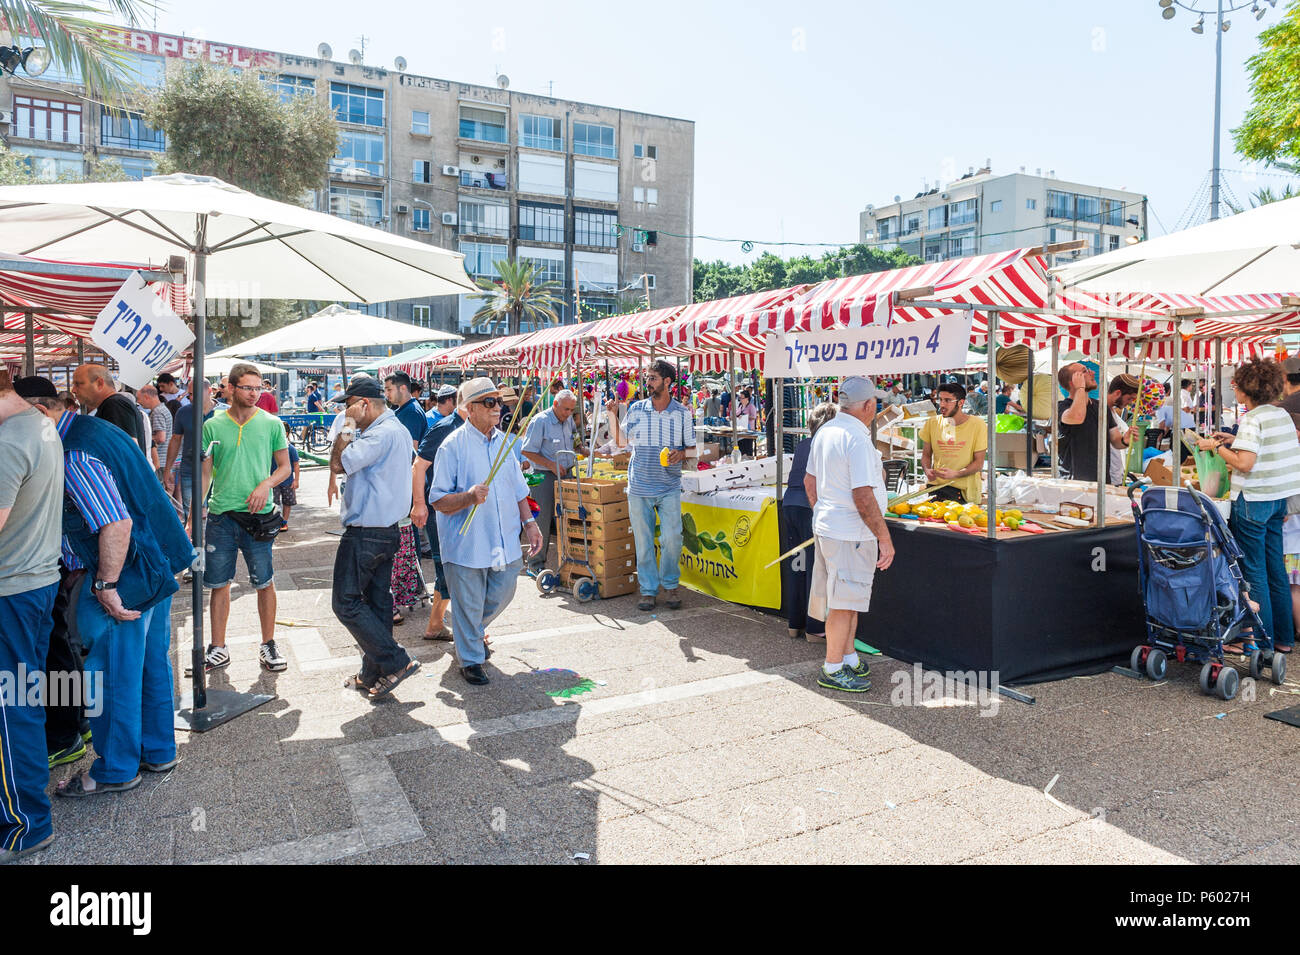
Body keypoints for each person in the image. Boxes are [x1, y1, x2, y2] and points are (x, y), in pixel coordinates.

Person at [31, 382, 191, 801]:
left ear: (37, 413)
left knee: (111, 674)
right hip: (154, 561)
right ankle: (158, 750)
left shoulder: (73, 451)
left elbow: (115, 524)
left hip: (126, 573)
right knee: (150, 662)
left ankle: (116, 767)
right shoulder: (94, 428)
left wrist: (106, 584)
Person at [430, 378, 543, 685]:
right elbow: (438, 500)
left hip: (504, 540)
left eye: (499, 402)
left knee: (504, 589)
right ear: (470, 409)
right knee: (467, 602)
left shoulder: (507, 442)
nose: (498, 408)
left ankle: (471, 634)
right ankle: (470, 659)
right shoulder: (451, 446)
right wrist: (468, 496)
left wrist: (529, 523)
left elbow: (519, 490)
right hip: (465, 544)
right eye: (490, 402)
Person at [0, 375, 63, 861]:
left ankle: (24, 822)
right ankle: (28, 808)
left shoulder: (10, 439)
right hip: (37, 581)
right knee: (24, 698)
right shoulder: (42, 428)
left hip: (12, 588)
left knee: (11, 708)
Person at [1197, 358, 1300, 655]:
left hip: (1254, 501)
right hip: (1278, 501)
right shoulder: (1279, 416)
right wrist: (1235, 439)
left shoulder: (1253, 419)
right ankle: (1283, 640)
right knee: (1275, 570)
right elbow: (1267, 450)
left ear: (1245, 390)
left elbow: (1245, 463)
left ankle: (1262, 643)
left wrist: (1216, 447)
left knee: (1254, 573)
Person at [329, 377, 423, 699]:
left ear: (364, 404)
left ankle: (396, 661)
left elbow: (337, 462)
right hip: (386, 531)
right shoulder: (394, 430)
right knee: (377, 603)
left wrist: (347, 425)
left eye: (349, 405)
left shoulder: (380, 433)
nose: (345, 412)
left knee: (345, 603)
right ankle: (371, 673)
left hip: (367, 533)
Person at [803, 376, 894, 693]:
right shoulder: (855, 437)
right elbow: (863, 495)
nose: (877, 407)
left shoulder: (827, 430)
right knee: (843, 603)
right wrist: (884, 537)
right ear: (868, 405)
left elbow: (809, 483)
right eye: (876, 403)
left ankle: (847, 655)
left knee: (848, 598)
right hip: (850, 533)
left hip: (833, 528)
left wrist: (822, 513)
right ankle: (831, 667)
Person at [200, 363, 291, 673]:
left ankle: (268, 644)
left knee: (264, 582)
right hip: (221, 515)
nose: (254, 393)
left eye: (258, 388)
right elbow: (206, 470)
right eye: (248, 388)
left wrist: (266, 484)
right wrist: (193, 513)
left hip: (258, 517)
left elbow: (284, 467)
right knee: (218, 584)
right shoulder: (212, 425)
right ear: (230, 389)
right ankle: (218, 647)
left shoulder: (271, 423)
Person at [612, 359, 695, 612]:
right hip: (639, 486)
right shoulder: (637, 409)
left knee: (673, 538)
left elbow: (692, 449)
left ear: (667, 381)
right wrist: (611, 414)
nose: (647, 383)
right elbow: (619, 441)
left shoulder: (682, 413)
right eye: (647, 378)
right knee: (644, 541)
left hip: (668, 485)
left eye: (652, 378)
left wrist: (680, 454)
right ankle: (648, 590)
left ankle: (670, 584)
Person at [412, 398, 466, 641]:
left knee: (459, 569)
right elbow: (418, 466)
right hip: (440, 511)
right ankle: (440, 625)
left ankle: (440, 624)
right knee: (447, 568)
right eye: (489, 403)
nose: (495, 408)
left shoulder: (481, 432)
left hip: (464, 509)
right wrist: (419, 504)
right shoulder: (444, 428)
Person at [781, 402, 836, 643]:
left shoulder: (803, 444)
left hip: (790, 505)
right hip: (809, 508)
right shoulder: (827, 444)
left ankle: (795, 624)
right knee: (816, 569)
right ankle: (815, 628)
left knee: (797, 566)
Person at [521, 388, 579, 575]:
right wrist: (550, 464)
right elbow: (527, 451)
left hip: (567, 476)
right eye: (565, 410)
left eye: (571, 410)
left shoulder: (568, 419)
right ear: (555, 404)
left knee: (567, 519)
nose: (568, 414)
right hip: (544, 476)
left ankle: (569, 562)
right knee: (542, 521)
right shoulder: (540, 421)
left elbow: (575, 440)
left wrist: (583, 449)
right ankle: (535, 564)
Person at [1057, 364, 1139, 483]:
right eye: (1084, 371)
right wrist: (1080, 388)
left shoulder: (1101, 407)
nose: (1092, 373)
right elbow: (1077, 417)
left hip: (1101, 481)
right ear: (1072, 381)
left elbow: (1116, 441)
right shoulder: (1062, 407)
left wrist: (1125, 440)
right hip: (1073, 482)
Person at [919, 381, 987, 503]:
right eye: (940, 400)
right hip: (935, 489)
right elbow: (926, 455)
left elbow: (978, 463)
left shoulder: (977, 424)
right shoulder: (932, 423)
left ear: (961, 403)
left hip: (963, 492)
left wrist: (956, 474)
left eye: (947, 400)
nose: (942, 405)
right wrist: (927, 469)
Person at [165, 379, 215, 538]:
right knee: (192, 515)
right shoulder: (184, 412)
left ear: (209, 391)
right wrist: (168, 469)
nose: (190, 397)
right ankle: (197, 551)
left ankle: (211, 547)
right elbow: (175, 439)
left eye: (193, 394)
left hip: (219, 471)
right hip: (190, 470)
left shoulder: (224, 412)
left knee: (216, 514)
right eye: (189, 394)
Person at [71, 364, 145, 454]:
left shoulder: (115, 405)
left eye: (78, 384)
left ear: (99, 383)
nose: (73, 390)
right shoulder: (112, 404)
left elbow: (128, 451)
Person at [137, 385, 173, 478]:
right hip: (164, 459)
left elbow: (160, 438)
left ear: (146, 397)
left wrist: (144, 437)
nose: (138, 402)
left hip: (160, 460)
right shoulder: (162, 409)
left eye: (138, 399)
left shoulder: (157, 412)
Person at [385, 371, 428, 446]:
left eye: (389, 390)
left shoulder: (411, 412)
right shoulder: (407, 409)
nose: (386, 394)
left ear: (403, 388)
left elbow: (412, 450)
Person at [275, 422, 300, 532]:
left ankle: (284, 521)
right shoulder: (271, 447)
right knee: (273, 502)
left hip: (287, 481)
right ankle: (275, 521)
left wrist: (296, 480)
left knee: (287, 502)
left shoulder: (290, 448)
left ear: (285, 433)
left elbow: (296, 464)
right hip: (274, 481)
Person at [734, 389, 759, 456]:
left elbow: (754, 417)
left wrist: (745, 417)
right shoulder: (740, 406)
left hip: (749, 431)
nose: (741, 400)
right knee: (741, 449)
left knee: (748, 450)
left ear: (747, 398)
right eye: (740, 398)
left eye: (742, 398)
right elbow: (736, 414)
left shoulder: (751, 406)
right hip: (741, 431)